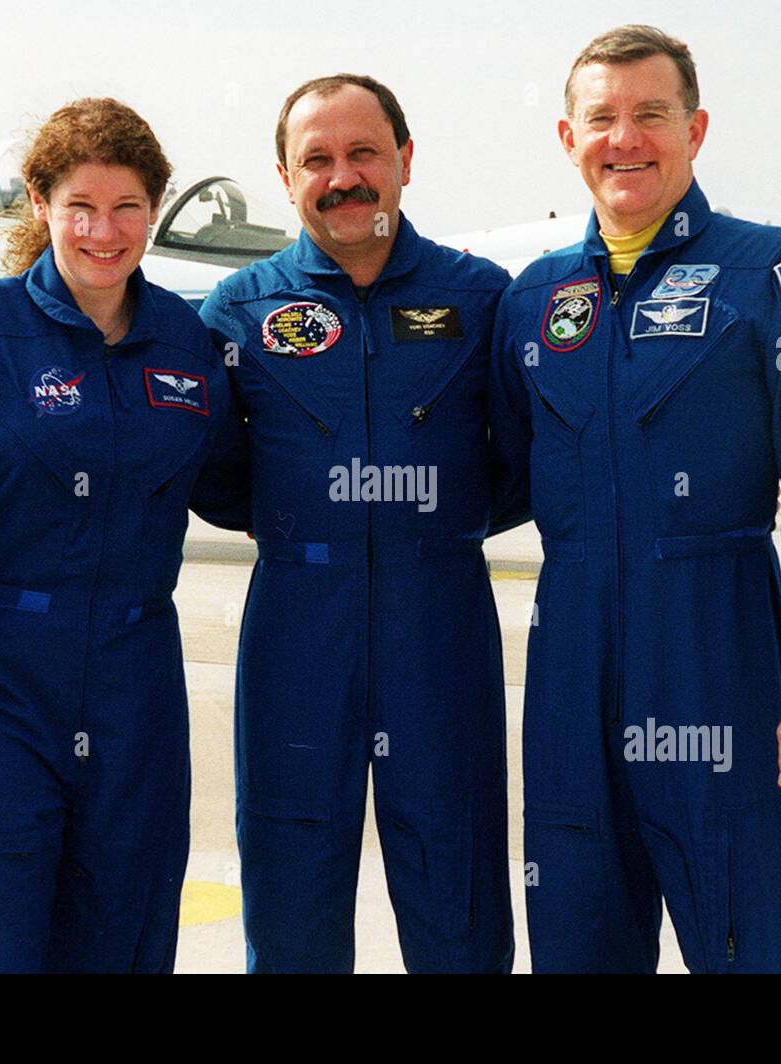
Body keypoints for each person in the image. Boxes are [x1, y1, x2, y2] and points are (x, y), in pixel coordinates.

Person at [489, 26, 781, 973]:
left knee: (748, 943)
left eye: (650, 115)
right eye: (602, 118)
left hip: (719, 654)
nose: (624, 138)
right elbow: (497, 469)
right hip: (569, 664)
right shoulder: (534, 299)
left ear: (696, 129)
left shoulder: (780, 275)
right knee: (577, 938)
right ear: (567, 137)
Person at [0, 98, 238, 972]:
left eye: (126, 208)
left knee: (125, 922)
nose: (103, 232)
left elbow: (250, 482)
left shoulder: (188, 346)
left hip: (136, 686)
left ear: (154, 209)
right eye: (80, 206)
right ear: (40, 203)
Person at [196, 74, 516, 973]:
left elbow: (523, 463)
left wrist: (433, 527)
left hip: (439, 620)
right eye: (318, 160)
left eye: (364, 152)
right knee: (291, 877)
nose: (344, 177)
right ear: (286, 175)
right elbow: (218, 476)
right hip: (298, 623)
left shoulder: (482, 300)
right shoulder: (239, 312)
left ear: (406, 160)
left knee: (455, 877)